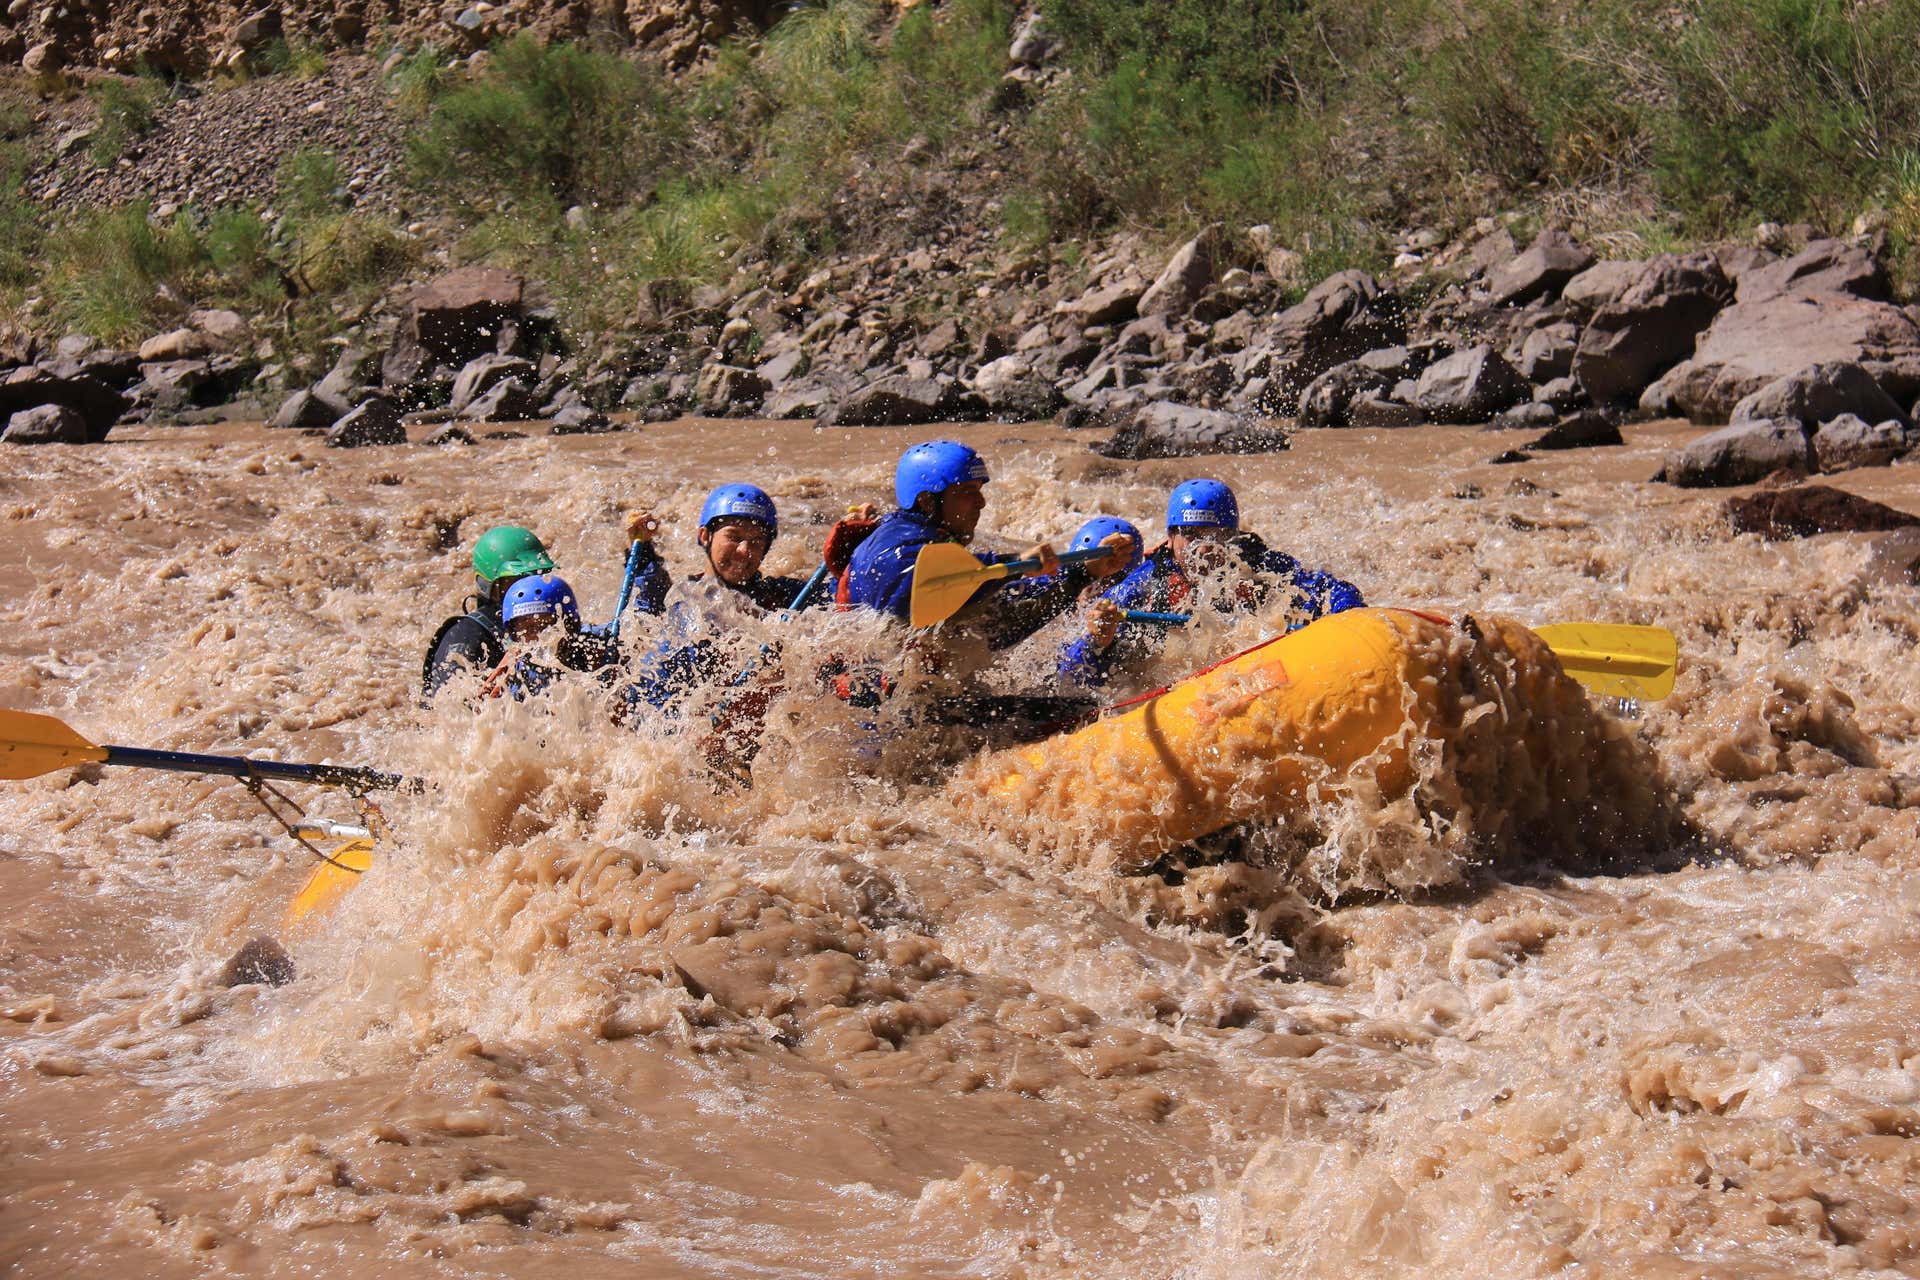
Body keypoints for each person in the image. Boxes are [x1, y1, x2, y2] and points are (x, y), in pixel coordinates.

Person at [1061, 478, 1365, 688]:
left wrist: (1348, 617)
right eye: (1191, 535)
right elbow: (1071, 674)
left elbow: (1329, 589)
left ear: (1232, 536)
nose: (1204, 548)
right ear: (1171, 537)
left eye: (1215, 535)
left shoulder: (1258, 563)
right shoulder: (1144, 584)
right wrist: (1097, 641)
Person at [840, 441, 1131, 648]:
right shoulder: (897, 546)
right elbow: (906, 588)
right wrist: (1015, 563)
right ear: (928, 501)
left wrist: (1084, 575)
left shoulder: (936, 546)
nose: (981, 502)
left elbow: (999, 630)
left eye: (979, 491)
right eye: (968, 492)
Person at [422, 525, 556, 698]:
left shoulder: (554, 625)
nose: (530, 590)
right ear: (488, 586)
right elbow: (448, 712)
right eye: (516, 582)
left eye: (537, 578)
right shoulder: (465, 637)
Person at [483, 573, 589, 701]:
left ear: (570, 625)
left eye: (545, 625)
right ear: (515, 635)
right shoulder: (518, 673)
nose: (538, 636)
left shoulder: (591, 648)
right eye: (527, 628)